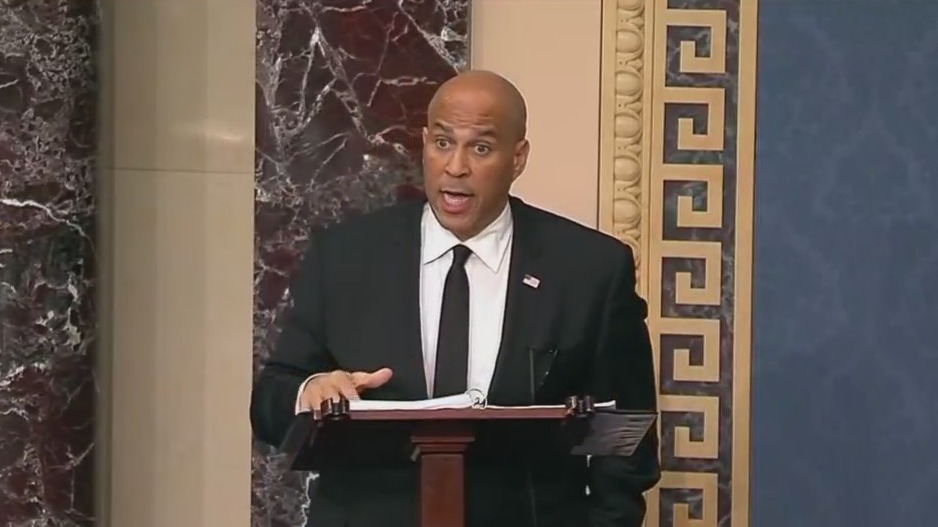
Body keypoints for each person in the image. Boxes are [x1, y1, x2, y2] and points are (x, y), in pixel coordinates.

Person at [250, 69, 660, 527]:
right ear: (424, 143)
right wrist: (310, 391)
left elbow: (624, 438)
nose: (456, 166)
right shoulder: (346, 256)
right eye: (442, 143)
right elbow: (269, 402)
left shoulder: (588, 269)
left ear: (518, 158)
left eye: (480, 148)